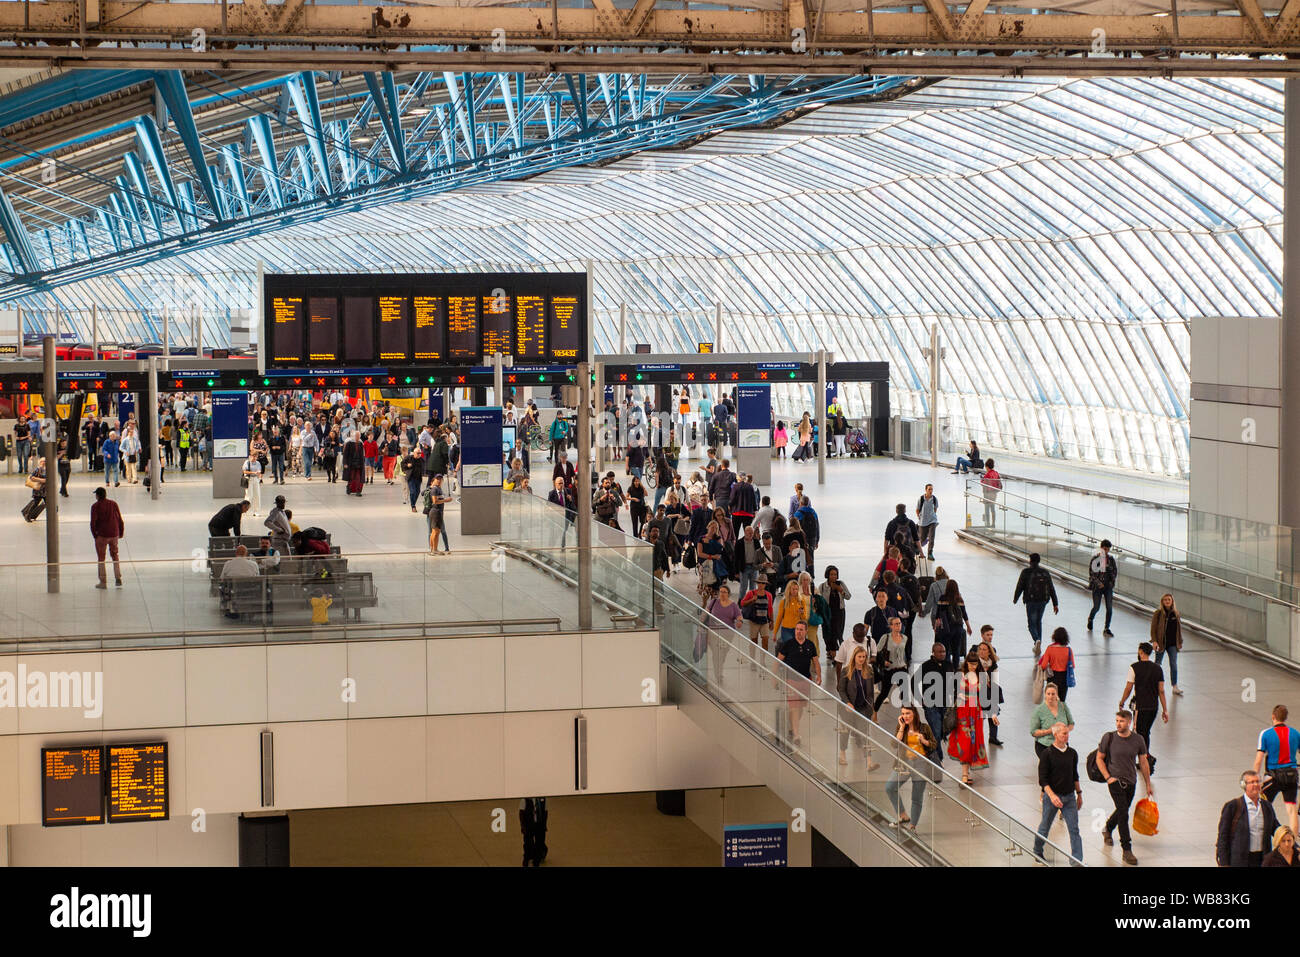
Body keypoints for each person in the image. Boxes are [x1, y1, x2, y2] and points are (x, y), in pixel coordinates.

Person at [1095, 710, 1154, 866]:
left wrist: (1148, 784)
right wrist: (1108, 777)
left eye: (1121, 721)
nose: (1118, 724)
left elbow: (1143, 762)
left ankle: (1107, 827)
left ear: (1129, 722)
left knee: (1123, 810)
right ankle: (1126, 849)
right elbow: (1099, 758)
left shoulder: (1138, 740)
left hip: (1131, 782)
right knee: (1123, 813)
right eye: (1116, 721)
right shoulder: (1109, 737)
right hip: (1114, 782)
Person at [1033, 723, 1084, 863]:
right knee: (1045, 826)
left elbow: (1075, 775)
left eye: (1067, 733)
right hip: (1052, 798)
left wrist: (1079, 794)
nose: (1067, 736)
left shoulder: (1072, 753)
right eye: (1064, 733)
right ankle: (1037, 850)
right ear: (1055, 735)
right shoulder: (1047, 754)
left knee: (1074, 829)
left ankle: (1076, 861)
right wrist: (1052, 795)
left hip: (1069, 797)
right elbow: (1043, 780)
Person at [885, 704, 938, 829]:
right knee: (890, 787)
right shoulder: (901, 726)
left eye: (908, 713)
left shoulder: (924, 728)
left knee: (916, 797)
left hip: (921, 765)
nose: (905, 716)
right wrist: (902, 727)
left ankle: (912, 826)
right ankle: (903, 816)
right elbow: (894, 744)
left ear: (914, 713)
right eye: (903, 713)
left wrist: (924, 740)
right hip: (904, 763)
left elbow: (934, 745)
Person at [1118, 642, 1168, 766]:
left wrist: (1122, 701)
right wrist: (1165, 709)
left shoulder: (1134, 667)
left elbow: (1128, 688)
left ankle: (1145, 758)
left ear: (1141, 652)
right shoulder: (1158, 668)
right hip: (1153, 706)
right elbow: (1161, 690)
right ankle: (1145, 757)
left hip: (1141, 706)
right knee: (1146, 731)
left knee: (1140, 732)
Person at [1254, 704, 1300, 837]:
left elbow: (1259, 759)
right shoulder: (1295, 733)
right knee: (1291, 809)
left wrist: (1255, 779)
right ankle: (1293, 842)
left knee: (1263, 806)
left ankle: (1262, 836)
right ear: (1286, 718)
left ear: (1273, 717)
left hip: (1273, 777)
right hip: (1291, 775)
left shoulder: (1266, 734)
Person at [1216, 770, 1278, 867]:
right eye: (1252, 782)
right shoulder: (1233, 806)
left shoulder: (1266, 806)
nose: (1256, 784)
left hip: (1262, 859)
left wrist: (1293, 845)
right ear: (1244, 785)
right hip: (1240, 860)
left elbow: (1276, 829)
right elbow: (1223, 837)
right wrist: (1224, 863)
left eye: (1258, 781)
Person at [948, 650, 991, 785]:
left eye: (975, 664)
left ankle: (967, 772)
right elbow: (950, 689)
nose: (973, 666)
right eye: (971, 664)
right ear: (966, 663)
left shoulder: (981, 675)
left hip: (975, 710)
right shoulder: (960, 674)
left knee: (974, 740)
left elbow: (987, 693)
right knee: (964, 740)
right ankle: (964, 773)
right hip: (963, 710)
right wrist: (957, 696)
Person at [775, 621, 821, 745]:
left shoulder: (810, 645)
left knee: (800, 708)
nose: (798, 632)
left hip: (805, 680)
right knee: (794, 707)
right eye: (796, 629)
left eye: (801, 629)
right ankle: (796, 734)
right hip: (791, 680)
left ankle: (791, 725)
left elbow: (816, 661)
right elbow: (777, 661)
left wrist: (819, 676)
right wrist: (774, 677)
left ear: (806, 631)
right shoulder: (788, 644)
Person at [838, 646, 880, 770]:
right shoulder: (846, 671)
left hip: (863, 708)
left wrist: (870, 707)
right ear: (854, 657)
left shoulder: (869, 671)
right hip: (849, 708)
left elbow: (871, 692)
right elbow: (841, 689)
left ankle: (869, 762)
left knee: (865, 734)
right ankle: (842, 754)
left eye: (864, 657)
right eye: (859, 657)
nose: (861, 659)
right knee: (846, 731)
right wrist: (847, 703)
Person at [1012, 552, 1059, 656]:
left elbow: (1020, 586)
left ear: (1030, 561)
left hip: (1031, 601)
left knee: (1031, 624)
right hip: (1043, 601)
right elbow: (1051, 588)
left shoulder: (1026, 572)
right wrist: (1055, 603)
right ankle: (1039, 644)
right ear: (1039, 561)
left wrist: (1015, 598)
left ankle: (1037, 640)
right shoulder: (1045, 572)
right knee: (1038, 622)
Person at [917, 641, 953, 745]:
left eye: (944, 651)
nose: (943, 654)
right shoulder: (926, 666)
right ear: (933, 652)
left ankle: (928, 746)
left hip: (945, 703)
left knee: (944, 731)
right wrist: (919, 698)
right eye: (940, 652)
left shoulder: (948, 665)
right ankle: (938, 758)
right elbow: (914, 681)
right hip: (931, 704)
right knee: (936, 732)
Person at [89, 486, 125, 589]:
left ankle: (103, 582)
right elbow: (120, 519)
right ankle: (118, 578)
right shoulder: (113, 504)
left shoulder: (95, 506)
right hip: (114, 534)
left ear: (98, 496)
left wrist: (95, 535)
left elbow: (93, 522)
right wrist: (121, 532)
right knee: (115, 556)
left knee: (101, 558)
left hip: (102, 535)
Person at [819, 566, 851, 677]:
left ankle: (835, 656)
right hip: (827, 614)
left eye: (835, 574)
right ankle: (830, 651)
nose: (834, 576)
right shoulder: (823, 587)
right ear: (827, 574)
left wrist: (840, 590)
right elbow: (819, 600)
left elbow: (848, 596)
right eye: (832, 574)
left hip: (839, 613)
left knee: (837, 634)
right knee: (827, 634)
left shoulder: (840, 584)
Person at [873, 616, 909, 715]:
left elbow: (906, 653)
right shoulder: (886, 637)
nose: (898, 625)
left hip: (902, 669)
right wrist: (883, 662)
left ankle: (905, 714)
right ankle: (874, 712)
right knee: (884, 693)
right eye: (896, 624)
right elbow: (877, 651)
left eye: (900, 623)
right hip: (889, 670)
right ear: (891, 626)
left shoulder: (905, 638)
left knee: (905, 694)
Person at [1150, 593, 1183, 696]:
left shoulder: (1176, 613)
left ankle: (1174, 686)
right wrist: (1154, 641)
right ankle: (1153, 684)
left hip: (1173, 644)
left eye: (1169, 600)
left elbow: (1178, 629)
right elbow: (1153, 628)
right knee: (1157, 664)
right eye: (1165, 600)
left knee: (1173, 664)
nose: (1167, 602)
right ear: (1162, 602)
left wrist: (1180, 641)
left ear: (1172, 601)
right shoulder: (1158, 613)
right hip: (1161, 643)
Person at [1029, 683, 1074, 757]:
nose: (1050, 696)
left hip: (1062, 744)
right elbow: (1033, 732)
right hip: (1044, 745)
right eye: (1048, 694)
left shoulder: (1063, 706)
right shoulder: (1039, 710)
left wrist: (1063, 730)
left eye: (1053, 694)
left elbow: (1071, 724)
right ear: (1045, 695)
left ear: (1057, 695)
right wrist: (1050, 731)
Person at [934, 578, 972, 666]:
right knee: (956, 649)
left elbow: (938, 615)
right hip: (958, 628)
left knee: (946, 649)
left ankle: (947, 668)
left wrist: (936, 627)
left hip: (946, 628)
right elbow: (964, 614)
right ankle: (955, 667)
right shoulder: (959, 599)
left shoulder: (943, 598)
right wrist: (968, 627)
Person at [1087, 538, 1118, 637]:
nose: (1106, 551)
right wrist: (1098, 583)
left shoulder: (1111, 560)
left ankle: (1106, 628)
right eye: (1104, 549)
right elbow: (1092, 574)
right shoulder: (1095, 559)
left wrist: (1111, 583)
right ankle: (1090, 619)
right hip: (1097, 587)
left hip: (1108, 587)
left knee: (1109, 608)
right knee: (1096, 607)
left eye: (1108, 549)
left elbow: (1114, 572)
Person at [975, 637, 1003, 746]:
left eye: (984, 649)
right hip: (978, 693)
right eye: (980, 649)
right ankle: (978, 739)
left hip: (991, 692)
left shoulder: (993, 664)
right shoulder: (975, 663)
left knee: (993, 714)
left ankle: (993, 737)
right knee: (980, 716)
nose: (981, 651)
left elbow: (995, 680)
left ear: (989, 652)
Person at [1037, 627, 1075, 701]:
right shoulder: (1068, 650)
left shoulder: (1050, 648)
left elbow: (1043, 665)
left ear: (1055, 637)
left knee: (1051, 701)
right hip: (1064, 678)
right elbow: (1072, 665)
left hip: (1052, 677)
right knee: (1061, 701)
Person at [739, 573, 774, 652]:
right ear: (757, 583)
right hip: (754, 621)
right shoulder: (751, 593)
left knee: (765, 640)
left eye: (763, 583)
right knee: (754, 641)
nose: (761, 584)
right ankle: (753, 660)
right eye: (759, 582)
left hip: (765, 621)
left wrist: (772, 621)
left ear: (765, 584)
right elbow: (742, 603)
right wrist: (751, 600)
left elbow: (770, 608)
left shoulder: (769, 595)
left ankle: (763, 660)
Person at [423, 474, 451, 554]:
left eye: (440, 479)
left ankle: (434, 549)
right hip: (435, 512)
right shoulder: (434, 489)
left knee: (436, 531)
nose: (439, 480)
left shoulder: (439, 489)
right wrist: (446, 500)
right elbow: (435, 501)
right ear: (433, 480)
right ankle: (433, 550)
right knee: (435, 531)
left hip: (438, 512)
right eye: (437, 479)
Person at [547, 475, 577, 548]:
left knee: (564, 532)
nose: (561, 485)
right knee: (554, 533)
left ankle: (562, 546)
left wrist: (570, 499)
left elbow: (572, 503)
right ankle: (551, 546)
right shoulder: (551, 493)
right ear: (555, 484)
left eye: (562, 483)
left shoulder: (568, 491)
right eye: (559, 483)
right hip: (556, 516)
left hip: (566, 516)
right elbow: (548, 505)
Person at [520, 797, 548, 867]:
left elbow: (545, 812)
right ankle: (526, 859)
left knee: (539, 843)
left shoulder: (543, 799)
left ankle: (536, 861)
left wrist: (544, 825)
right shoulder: (525, 799)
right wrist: (523, 826)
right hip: (529, 825)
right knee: (528, 843)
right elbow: (521, 813)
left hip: (539, 825)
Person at [915, 484, 939, 560]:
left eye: (932, 489)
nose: (931, 491)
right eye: (929, 489)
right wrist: (920, 517)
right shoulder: (921, 499)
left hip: (932, 521)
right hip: (923, 522)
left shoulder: (934, 499)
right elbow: (917, 510)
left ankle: (930, 553)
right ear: (926, 490)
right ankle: (917, 548)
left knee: (932, 538)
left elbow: (935, 509)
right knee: (922, 538)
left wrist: (932, 516)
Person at [979, 458, 1002, 526]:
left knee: (987, 509)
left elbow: (982, 483)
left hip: (987, 494)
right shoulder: (996, 473)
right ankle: (993, 523)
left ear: (987, 466)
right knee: (993, 509)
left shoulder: (987, 474)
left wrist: (982, 479)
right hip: (994, 494)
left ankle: (987, 524)